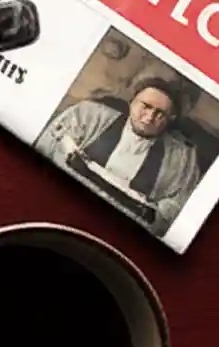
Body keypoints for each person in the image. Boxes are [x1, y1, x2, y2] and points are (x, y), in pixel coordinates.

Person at [35, 77, 202, 234]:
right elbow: (48, 147)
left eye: (160, 114)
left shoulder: (182, 159)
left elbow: (174, 209)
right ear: (132, 102)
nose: (150, 117)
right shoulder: (88, 114)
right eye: (146, 106)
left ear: (170, 119)